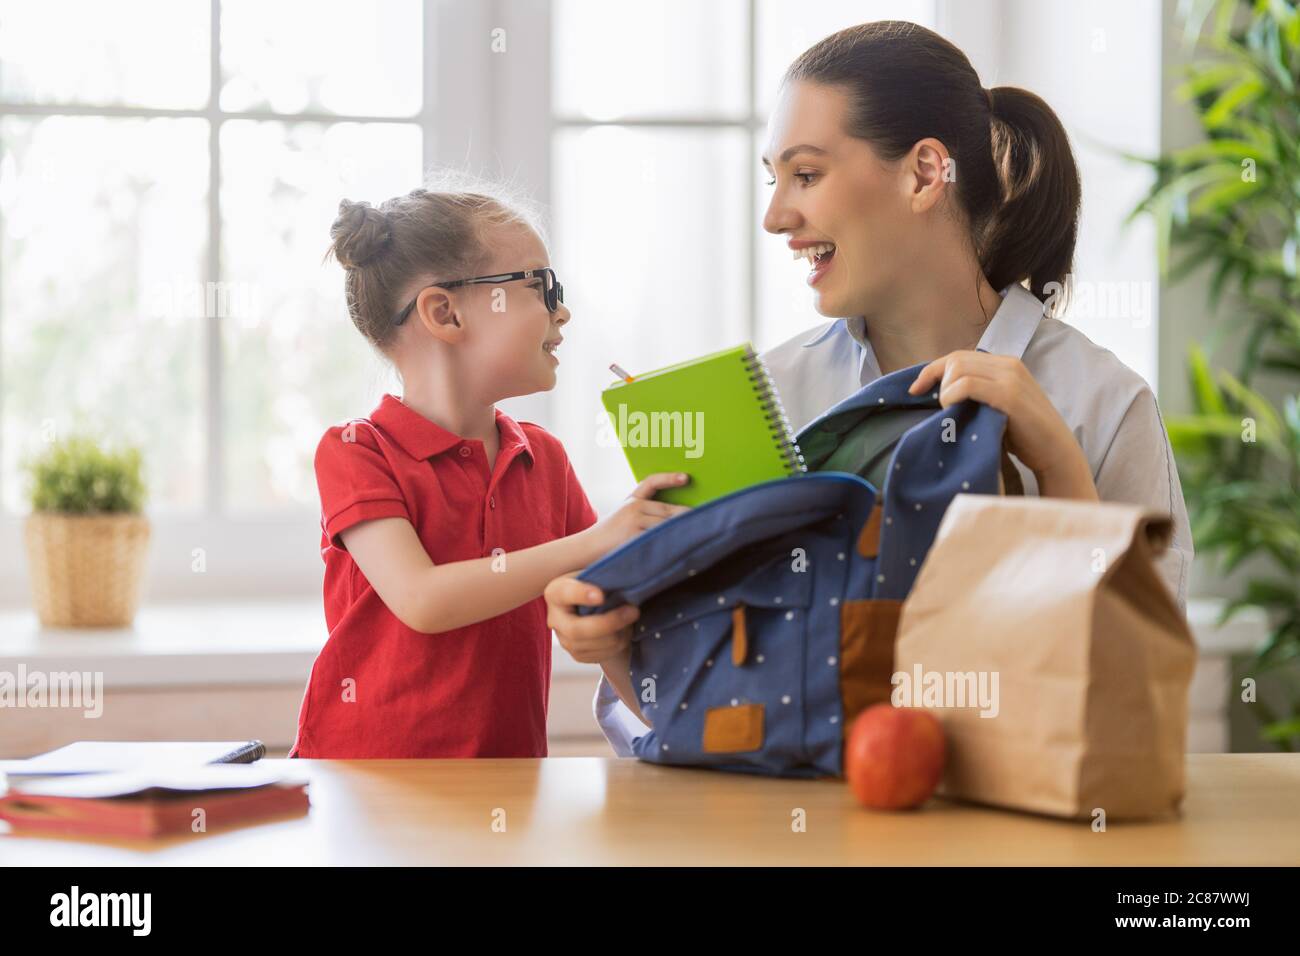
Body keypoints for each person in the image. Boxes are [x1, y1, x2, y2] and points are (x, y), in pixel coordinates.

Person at [543, 21, 1193, 756]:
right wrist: (612, 646)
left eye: (807, 174)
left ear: (922, 175)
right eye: (774, 179)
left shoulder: (1100, 404)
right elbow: (710, 712)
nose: (775, 216)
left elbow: (1137, 693)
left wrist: (1058, 463)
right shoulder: (775, 397)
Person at [290, 184, 687, 758]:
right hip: (363, 792)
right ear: (444, 312)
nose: (563, 310)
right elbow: (424, 599)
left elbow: (600, 613)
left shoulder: (544, 460)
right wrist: (596, 540)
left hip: (507, 790)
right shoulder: (357, 451)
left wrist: (682, 729)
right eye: (540, 286)